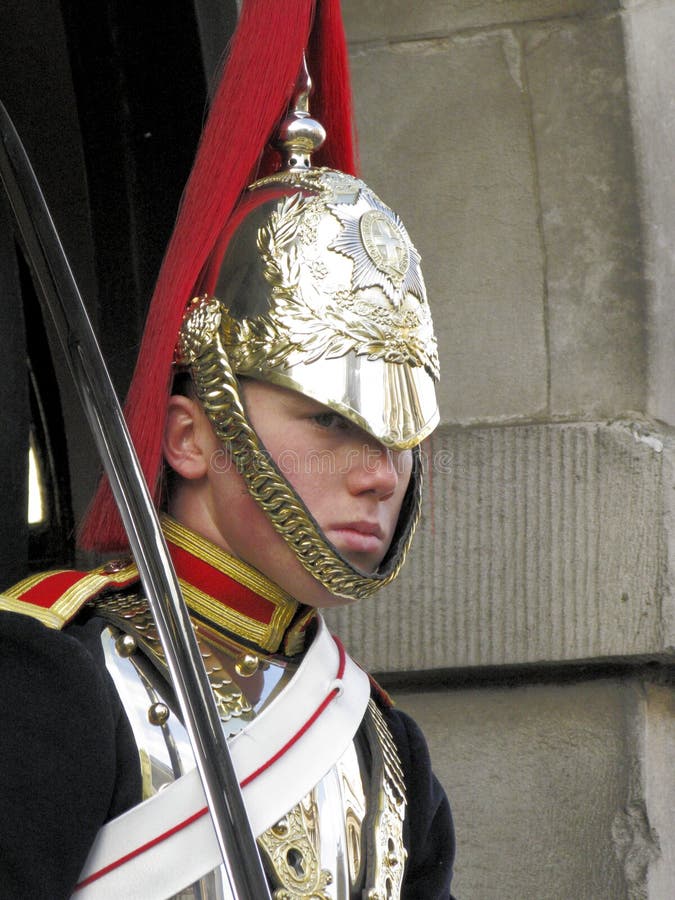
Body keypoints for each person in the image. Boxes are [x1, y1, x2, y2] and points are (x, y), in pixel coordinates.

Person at [0, 1, 455, 897]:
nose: (379, 477)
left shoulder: (382, 747)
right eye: (331, 421)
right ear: (190, 436)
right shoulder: (53, 675)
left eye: (400, 438)